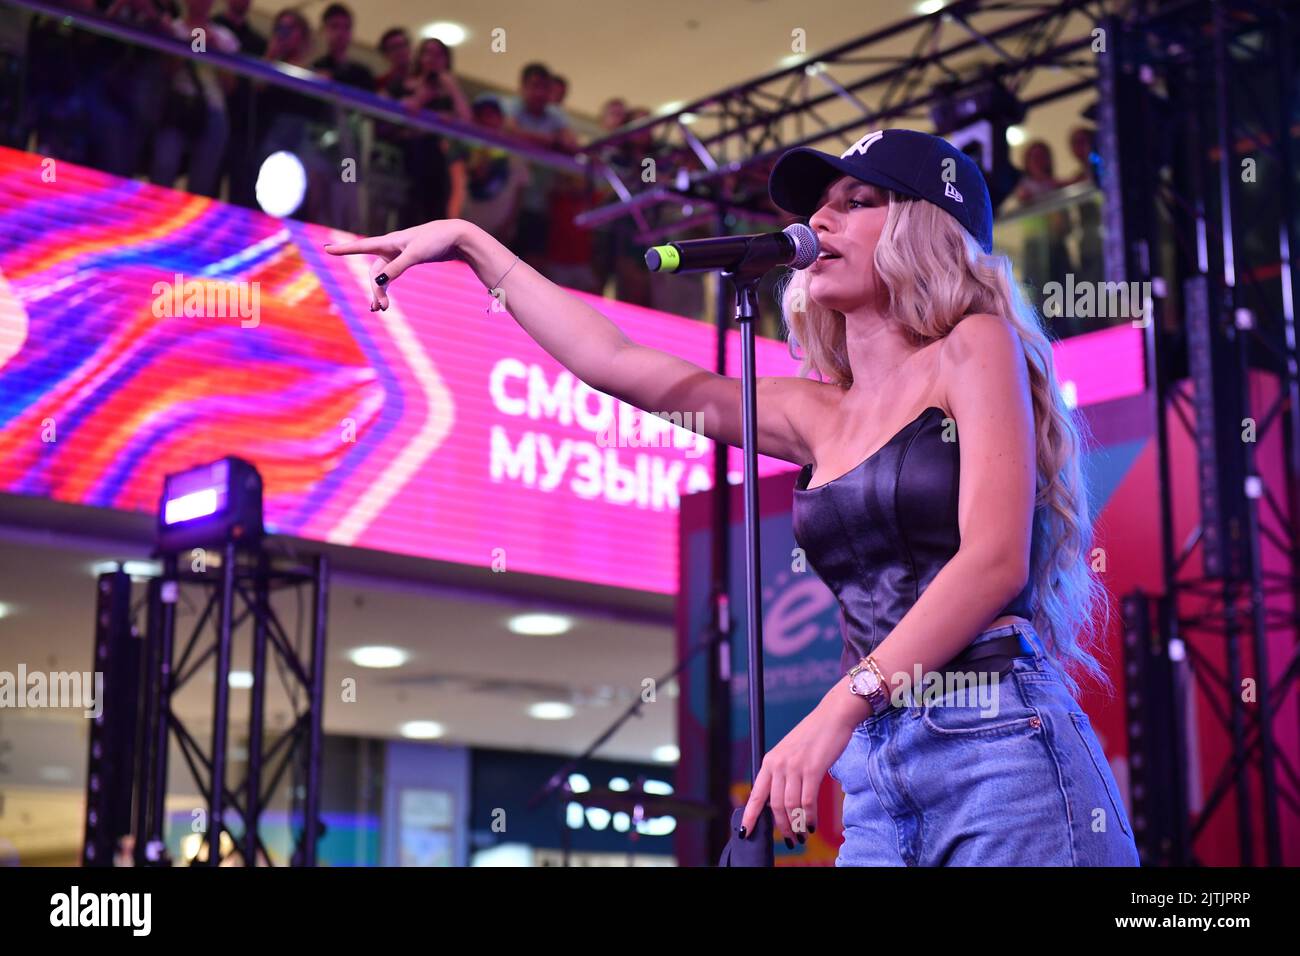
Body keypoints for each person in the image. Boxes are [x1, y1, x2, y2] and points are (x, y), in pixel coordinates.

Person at [322, 126, 1141, 868]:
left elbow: (994, 561)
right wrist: (471, 243)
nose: (821, 222)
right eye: (819, 206)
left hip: (993, 736)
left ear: (923, 229)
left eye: (856, 203)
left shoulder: (974, 345)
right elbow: (616, 362)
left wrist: (834, 712)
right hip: (876, 773)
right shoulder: (815, 413)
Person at [382, 37, 471, 226]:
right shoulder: (402, 85)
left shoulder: (447, 91)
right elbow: (389, 120)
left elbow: (467, 121)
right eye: (428, 53)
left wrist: (451, 87)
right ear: (419, 57)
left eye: (439, 55)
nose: (433, 59)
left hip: (435, 159)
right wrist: (421, 98)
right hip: (403, 155)